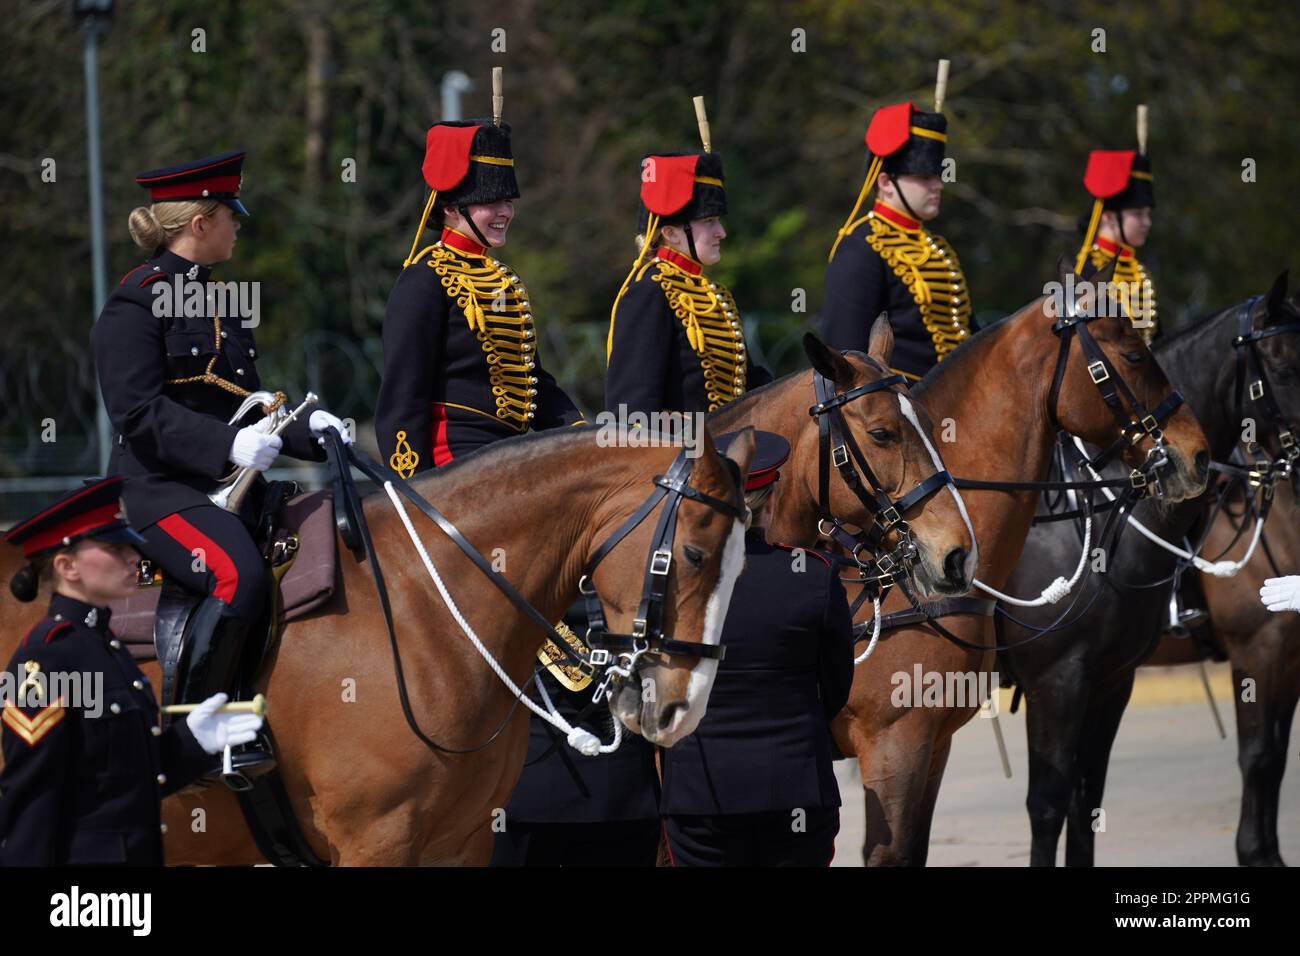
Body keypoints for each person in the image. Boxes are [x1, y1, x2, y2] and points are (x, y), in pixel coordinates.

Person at [89, 151, 349, 781]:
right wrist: (224, 448)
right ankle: (201, 733)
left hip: (231, 485)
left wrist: (309, 432)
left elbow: (245, 403)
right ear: (200, 223)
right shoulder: (135, 304)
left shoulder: (220, 300)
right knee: (239, 577)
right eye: (231, 215)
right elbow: (137, 414)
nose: (239, 225)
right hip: (162, 491)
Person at [1, 478, 262, 865]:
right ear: (67, 566)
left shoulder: (105, 647)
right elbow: (31, 803)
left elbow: (124, 783)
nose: (132, 557)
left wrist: (190, 742)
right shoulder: (47, 660)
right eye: (113, 548)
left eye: (128, 545)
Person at [660, 431, 855, 866]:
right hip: (796, 788)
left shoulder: (670, 585)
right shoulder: (815, 576)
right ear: (771, 502)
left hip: (700, 794)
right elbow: (836, 685)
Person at [375, 112, 584, 478]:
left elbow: (533, 381)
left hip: (514, 455)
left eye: (509, 201)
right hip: (456, 466)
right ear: (452, 207)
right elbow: (402, 398)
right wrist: (415, 489)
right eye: (493, 201)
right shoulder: (423, 281)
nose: (506, 211)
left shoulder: (504, 278)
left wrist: (583, 435)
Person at [605, 149, 773, 415]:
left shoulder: (716, 295)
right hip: (681, 453)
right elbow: (631, 412)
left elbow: (752, 387)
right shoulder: (650, 292)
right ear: (670, 233)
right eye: (709, 221)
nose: (722, 232)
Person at [822, 99, 972, 382]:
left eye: (937, 175)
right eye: (924, 176)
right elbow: (846, 358)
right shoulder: (861, 248)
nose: (937, 185)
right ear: (885, 182)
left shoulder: (938, 248)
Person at [1073, 145, 1158, 344]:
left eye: (1148, 214)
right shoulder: (1087, 270)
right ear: (1109, 217)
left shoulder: (1139, 272)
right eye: (1138, 214)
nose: (1147, 222)